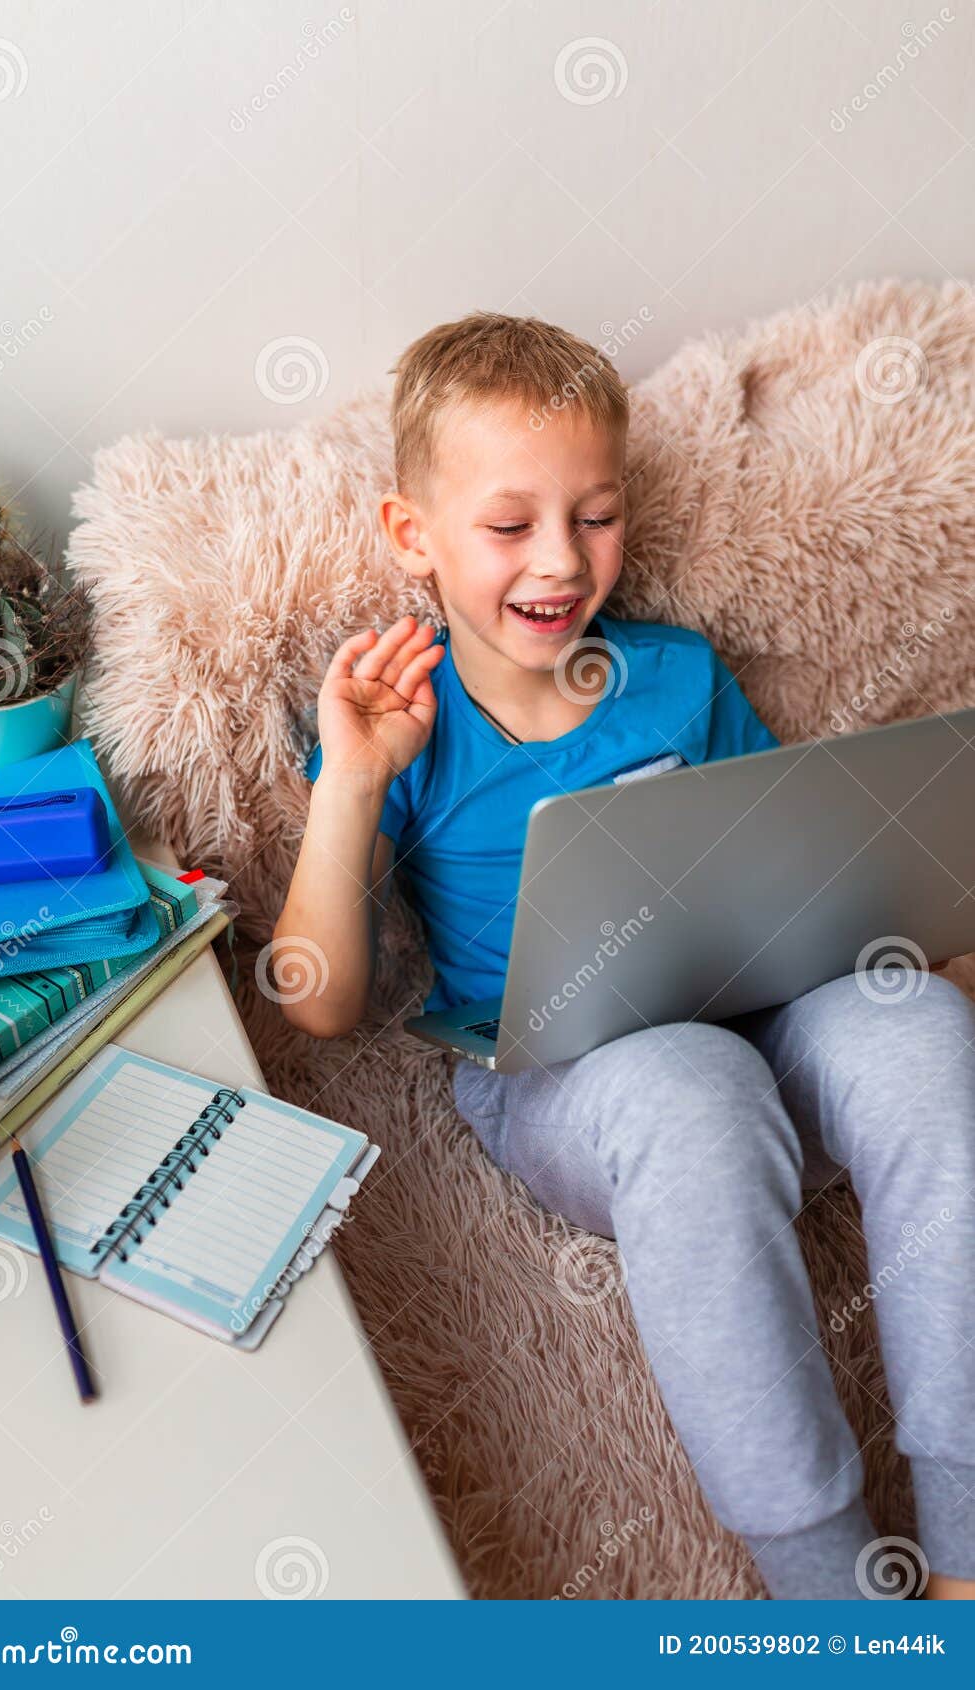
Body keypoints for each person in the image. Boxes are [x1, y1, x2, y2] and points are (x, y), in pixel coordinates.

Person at [273, 311, 975, 1599]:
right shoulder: (403, 729)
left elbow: (792, 863)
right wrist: (352, 783)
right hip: (571, 1078)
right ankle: (828, 1590)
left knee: (923, 1031)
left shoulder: (678, 674)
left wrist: (902, 937)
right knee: (691, 1094)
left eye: (594, 515)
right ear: (411, 537)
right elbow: (317, 1003)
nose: (562, 559)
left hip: (763, 1013)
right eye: (509, 524)